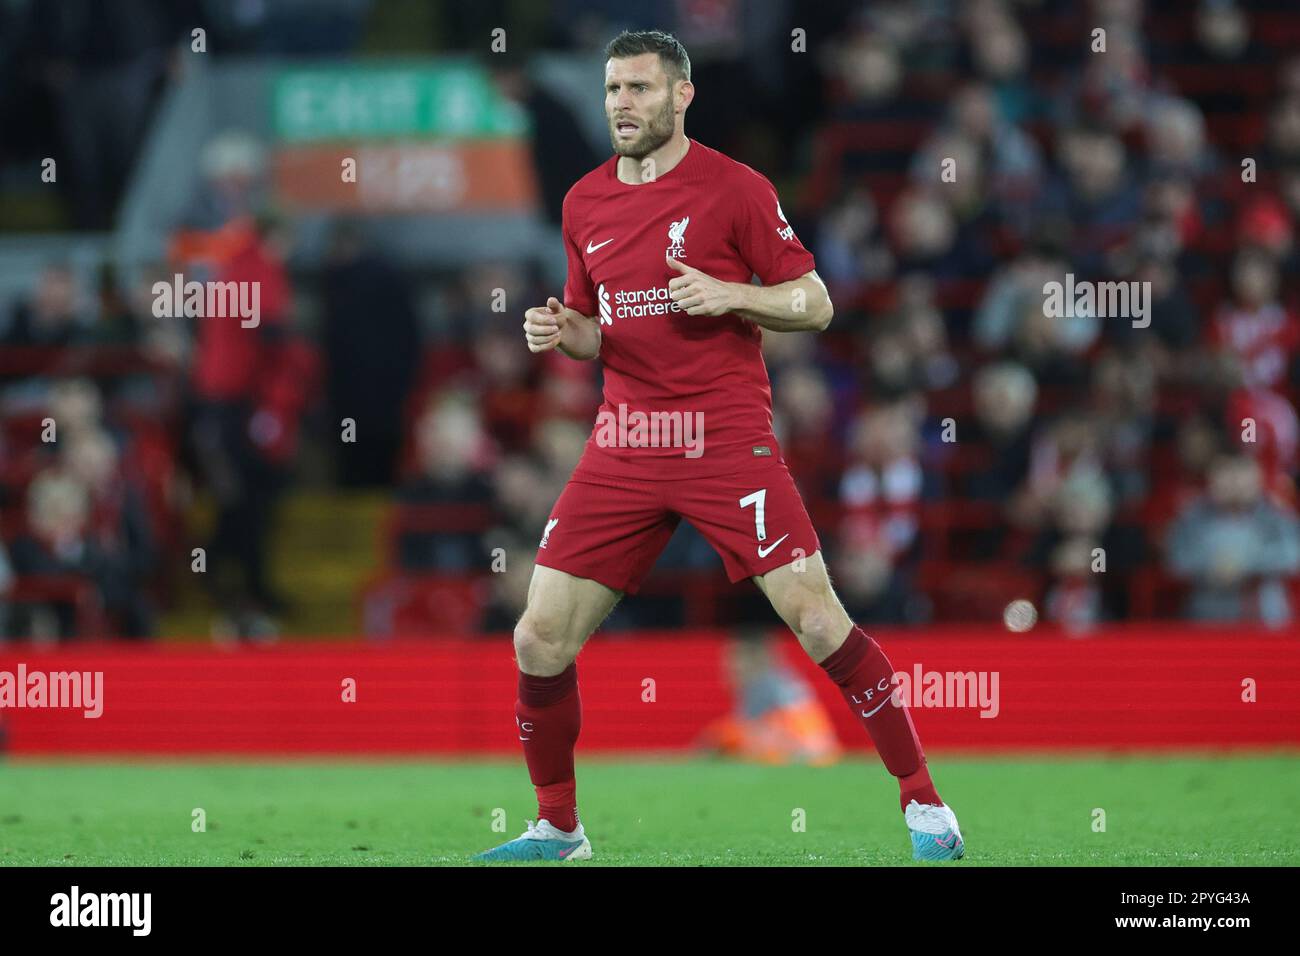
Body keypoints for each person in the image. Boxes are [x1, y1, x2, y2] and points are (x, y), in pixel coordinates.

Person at [475, 30, 964, 863]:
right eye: (612, 90)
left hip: (721, 436)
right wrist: (567, 331)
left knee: (815, 618)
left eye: (638, 89)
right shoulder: (583, 202)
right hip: (626, 440)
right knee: (538, 638)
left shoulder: (734, 190)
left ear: (681, 95)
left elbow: (814, 303)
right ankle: (559, 828)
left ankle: (926, 808)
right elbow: (602, 332)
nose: (621, 105)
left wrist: (731, 292)